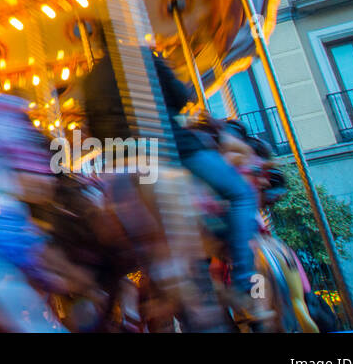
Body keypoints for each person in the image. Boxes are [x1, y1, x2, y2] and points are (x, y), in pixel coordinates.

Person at [78, 23, 260, 307]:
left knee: (159, 250)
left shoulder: (90, 80)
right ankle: (244, 281)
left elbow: (91, 130)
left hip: (117, 170)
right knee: (240, 194)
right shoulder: (144, 57)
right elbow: (182, 96)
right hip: (167, 150)